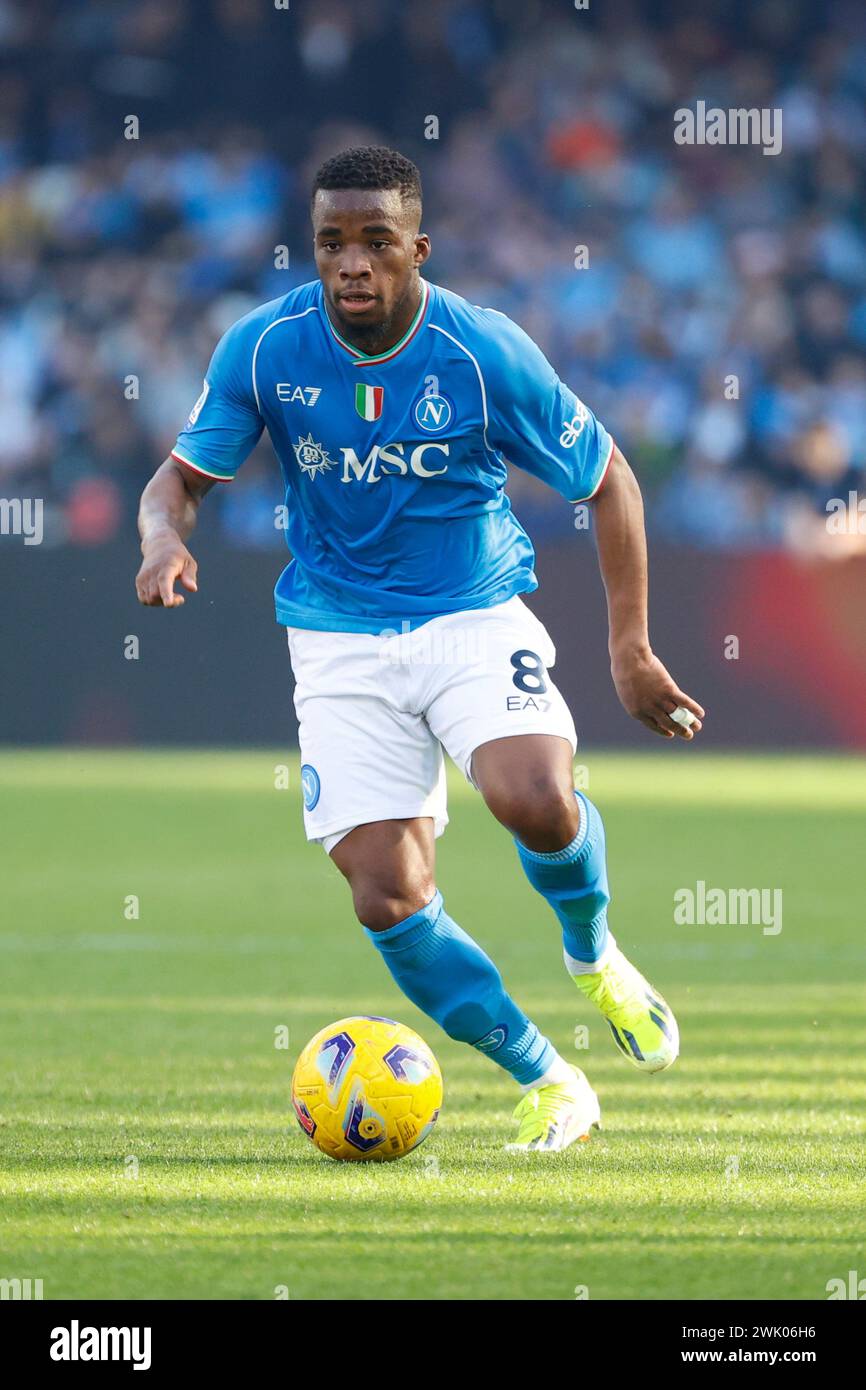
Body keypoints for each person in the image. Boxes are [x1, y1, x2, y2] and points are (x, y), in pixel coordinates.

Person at [136, 146, 704, 1152]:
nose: (349, 264)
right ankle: (549, 1078)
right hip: (336, 636)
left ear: (417, 248)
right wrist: (162, 536)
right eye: (329, 244)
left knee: (530, 796)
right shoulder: (264, 349)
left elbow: (607, 474)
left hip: (471, 614)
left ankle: (593, 954)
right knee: (385, 893)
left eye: (374, 243)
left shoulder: (481, 352)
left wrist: (629, 646)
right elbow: (176, 477)